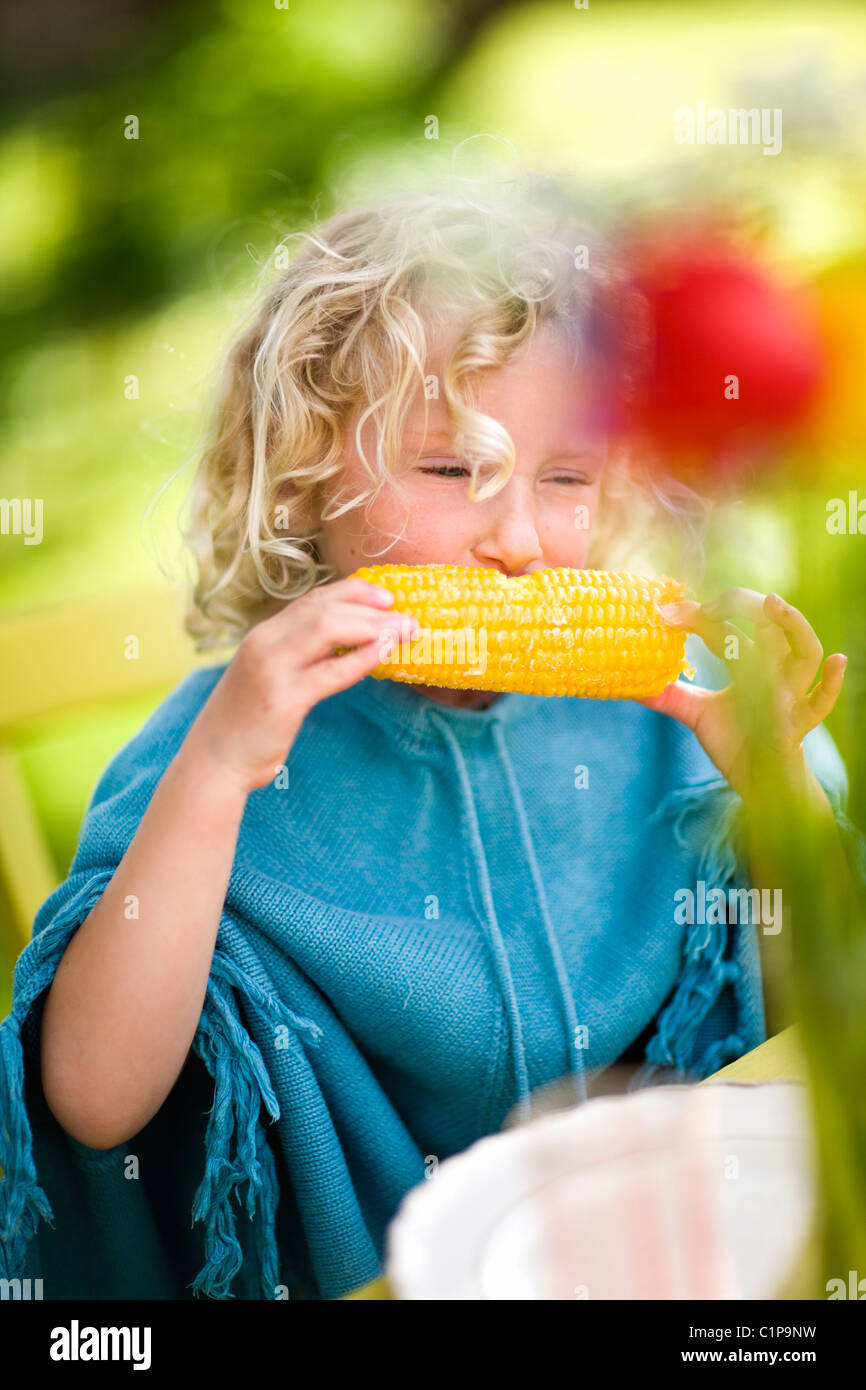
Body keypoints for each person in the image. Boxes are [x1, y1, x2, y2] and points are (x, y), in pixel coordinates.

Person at [1, 178, 862, 1301]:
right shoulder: (221, 751)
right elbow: (95, 1099)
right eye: (454, 470)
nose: (515, 539)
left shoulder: (666, 725)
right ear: (300, 477)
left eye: (566, 477)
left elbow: (820, 1001)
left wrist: (770, 785)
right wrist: (213, 774)